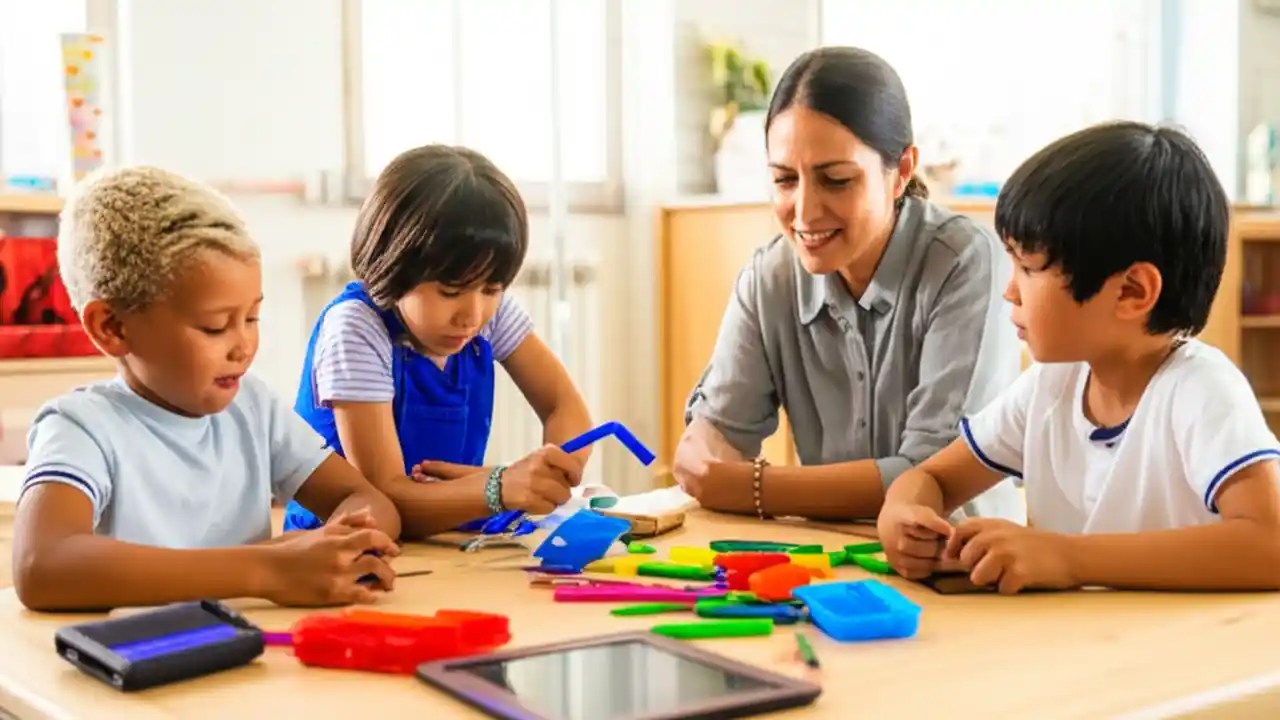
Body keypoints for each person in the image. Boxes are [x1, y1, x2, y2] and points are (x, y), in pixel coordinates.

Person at [877, 121, 1280, 593]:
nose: (1010, 290)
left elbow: (1271, 543)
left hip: (1184, 659)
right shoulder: (1052, 385)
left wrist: (1067, 557)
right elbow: (932, 479)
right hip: (1080, 648)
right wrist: (903, 514)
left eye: (1028, 268)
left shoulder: (1200, 389)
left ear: (1132, 291)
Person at [12, 166, 402, 611]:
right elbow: (42, 565)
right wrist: (268, 568)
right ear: (113, 327)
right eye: (215, 327)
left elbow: (369, 498)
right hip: (133, 663)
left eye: (252, 318)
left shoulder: (252, 407)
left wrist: (344, 541)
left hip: (246, 654)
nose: (244, 345)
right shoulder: (82, 427)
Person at [674, 46, 1022, 522]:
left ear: (901, 172)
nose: (804, 213)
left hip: (960, 568)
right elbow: (715, 442)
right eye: (784, 180)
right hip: (829, 563)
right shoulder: (769, 278)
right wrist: (707, 453)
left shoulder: (965, 263)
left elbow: (931, 475)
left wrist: (754, 487)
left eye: (836, 180)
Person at [283, 145, 594, 538]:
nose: (473, 314)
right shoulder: (356, 327)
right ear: (392, 266)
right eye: (450, 291)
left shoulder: (486, 311)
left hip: (446, 534)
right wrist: (497, 487)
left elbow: (563, 406)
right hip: (341, 542)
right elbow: (383, 496)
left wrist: (553, 472)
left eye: (492, 288)